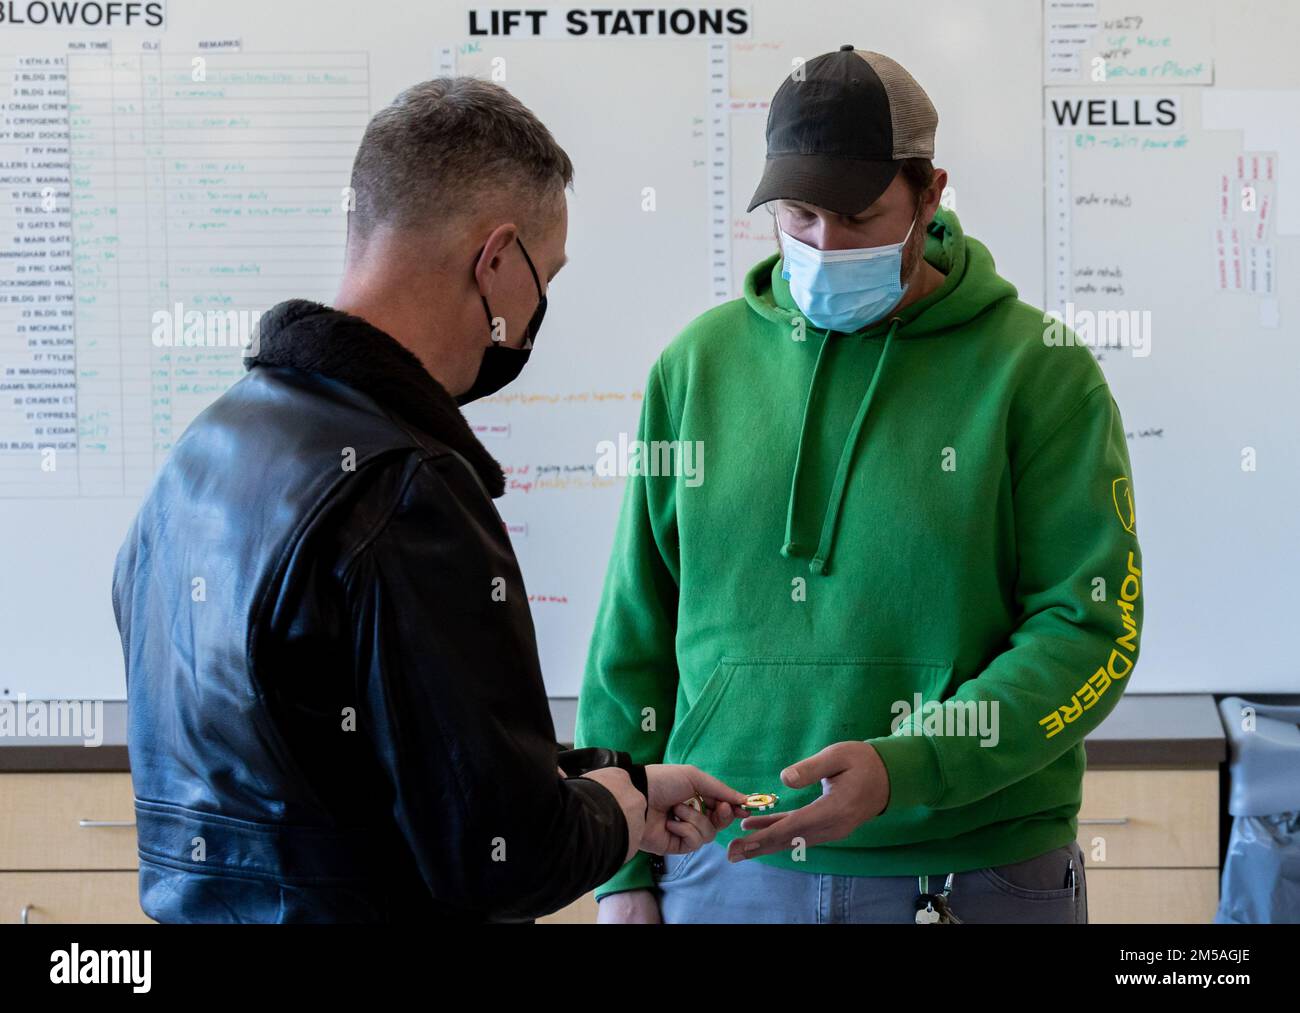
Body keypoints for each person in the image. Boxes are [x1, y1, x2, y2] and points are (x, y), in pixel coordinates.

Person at [113, 77, 746, 924]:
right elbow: (504, 856)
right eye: (543, 279)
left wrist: (621, 782)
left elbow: (372, 768)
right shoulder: (404, 487)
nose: (535, 319)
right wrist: (617, 814)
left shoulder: (201, 456)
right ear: (495, 257)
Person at [576, 46, 1143, 923]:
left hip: (973, 868)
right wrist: (619, 871)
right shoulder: (695, 366)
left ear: (930, 193)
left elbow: (1090, 627)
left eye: (859, 216)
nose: (825, 245)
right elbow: (634, 630)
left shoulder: (1041, 372)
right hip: (723, 863)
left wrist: (911, 763)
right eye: (799, 215)